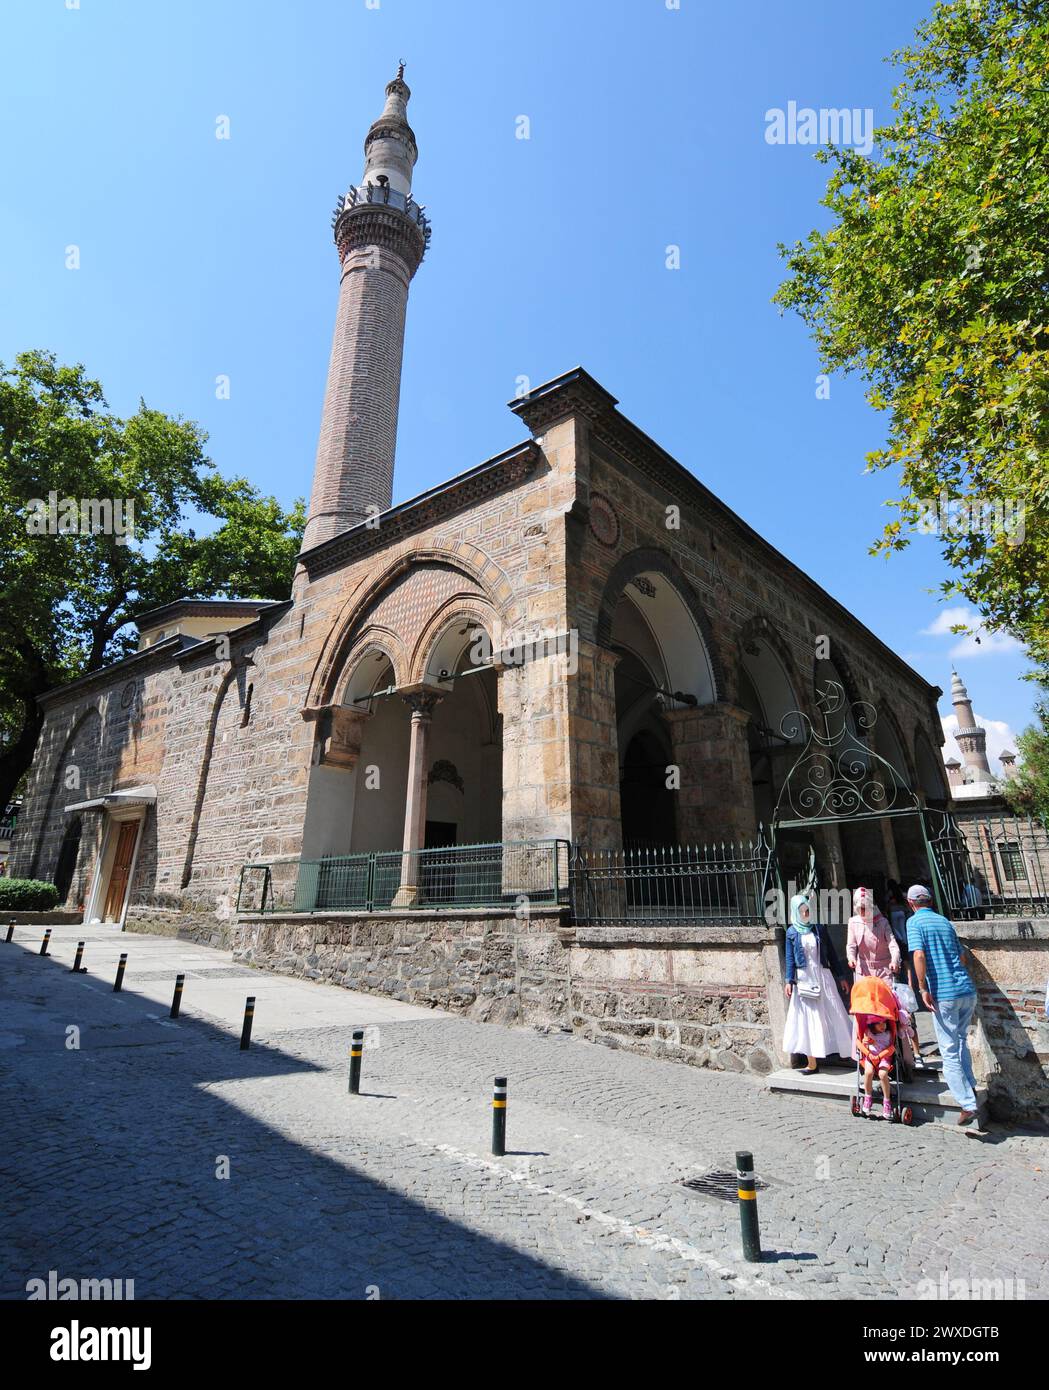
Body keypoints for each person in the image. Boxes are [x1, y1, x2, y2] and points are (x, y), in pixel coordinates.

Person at [906, 884, 980, 1127]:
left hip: (944, 992)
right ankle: (970, 1087)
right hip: (966, 989)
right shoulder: (945, 922)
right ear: (930, 901)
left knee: (948, 1049)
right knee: (960, 1042)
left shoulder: (914, 923)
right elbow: (962, 955)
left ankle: (967, 1104)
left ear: (911, 903)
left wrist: (923, 988)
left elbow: (918, 955)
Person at [783, 890, 853, 1074]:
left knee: (835, 1011)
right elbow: (790, 958)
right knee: (807, 1018)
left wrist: (841, 977)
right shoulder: (791, 932)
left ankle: (849, 1053)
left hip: (823, 975)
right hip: (804, 978)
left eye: (807, 910)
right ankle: (812, 1062)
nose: (806, 914)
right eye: (803, 911)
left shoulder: (819, 928)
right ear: (796, 912)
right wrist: (789, 980)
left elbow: (831, 954)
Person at [846, 886, 900, 980]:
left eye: (865, 908)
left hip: (884, 971)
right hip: (863, 971)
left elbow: (892, 944)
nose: (862, 912)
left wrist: (894, 960)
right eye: (860, 909)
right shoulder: (853, 922)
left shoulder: (883, 922)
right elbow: (851, 945)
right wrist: (851, 958)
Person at [857, 1012, 895, 1119]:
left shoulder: (888, 1034)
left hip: (884, 1058)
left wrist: (879, 1056)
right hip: (870, 1057)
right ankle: (868, 1096)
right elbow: (859, 1043)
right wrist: (866, 1047)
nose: (883, 1026)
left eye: (884, 1023)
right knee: (868, 1072)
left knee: (883, 1074)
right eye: (879, 1023)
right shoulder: (868, 1032)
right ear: (872, 1024)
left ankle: (887, 1100)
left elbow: (891, 1048)